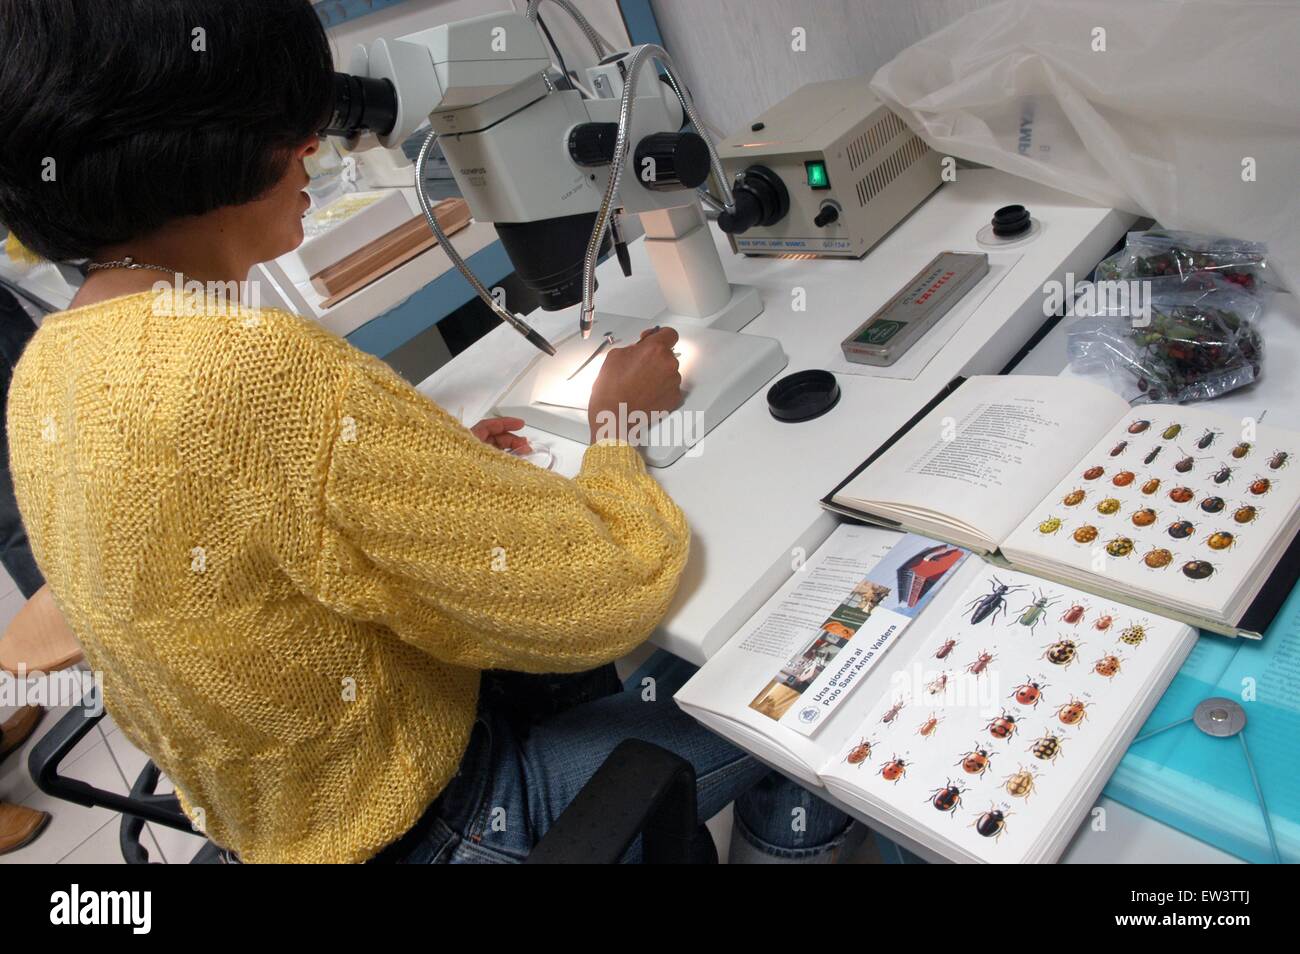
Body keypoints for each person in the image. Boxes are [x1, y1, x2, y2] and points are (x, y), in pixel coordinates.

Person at [0, 0, 858, 862]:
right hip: (447, 824)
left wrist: (441, 477)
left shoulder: (50, 366)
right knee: (809, 642)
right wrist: (614, 429)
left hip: (283, 827)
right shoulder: (248, 372)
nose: (314, 147)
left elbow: (255, 558)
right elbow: (608, 592)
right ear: (193, 146)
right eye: (286, 121)